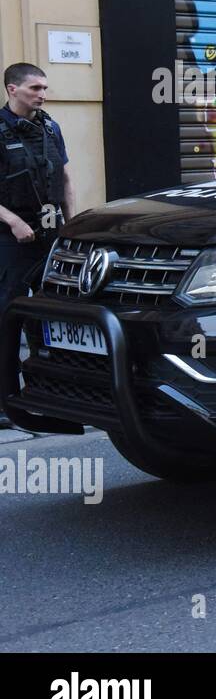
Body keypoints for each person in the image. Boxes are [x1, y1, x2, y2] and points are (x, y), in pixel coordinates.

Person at [0, 63, 73, 427]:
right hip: (10, 241)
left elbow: (64, 177)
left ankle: (49, 392)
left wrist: (72, 226)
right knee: (7, 321)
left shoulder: (50, 127)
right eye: (34, 88)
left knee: (50, 319)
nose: (42, 94)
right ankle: (5, 402)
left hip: (49, 237)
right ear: (13, 89)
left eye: (44, 87)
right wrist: (13, 222)